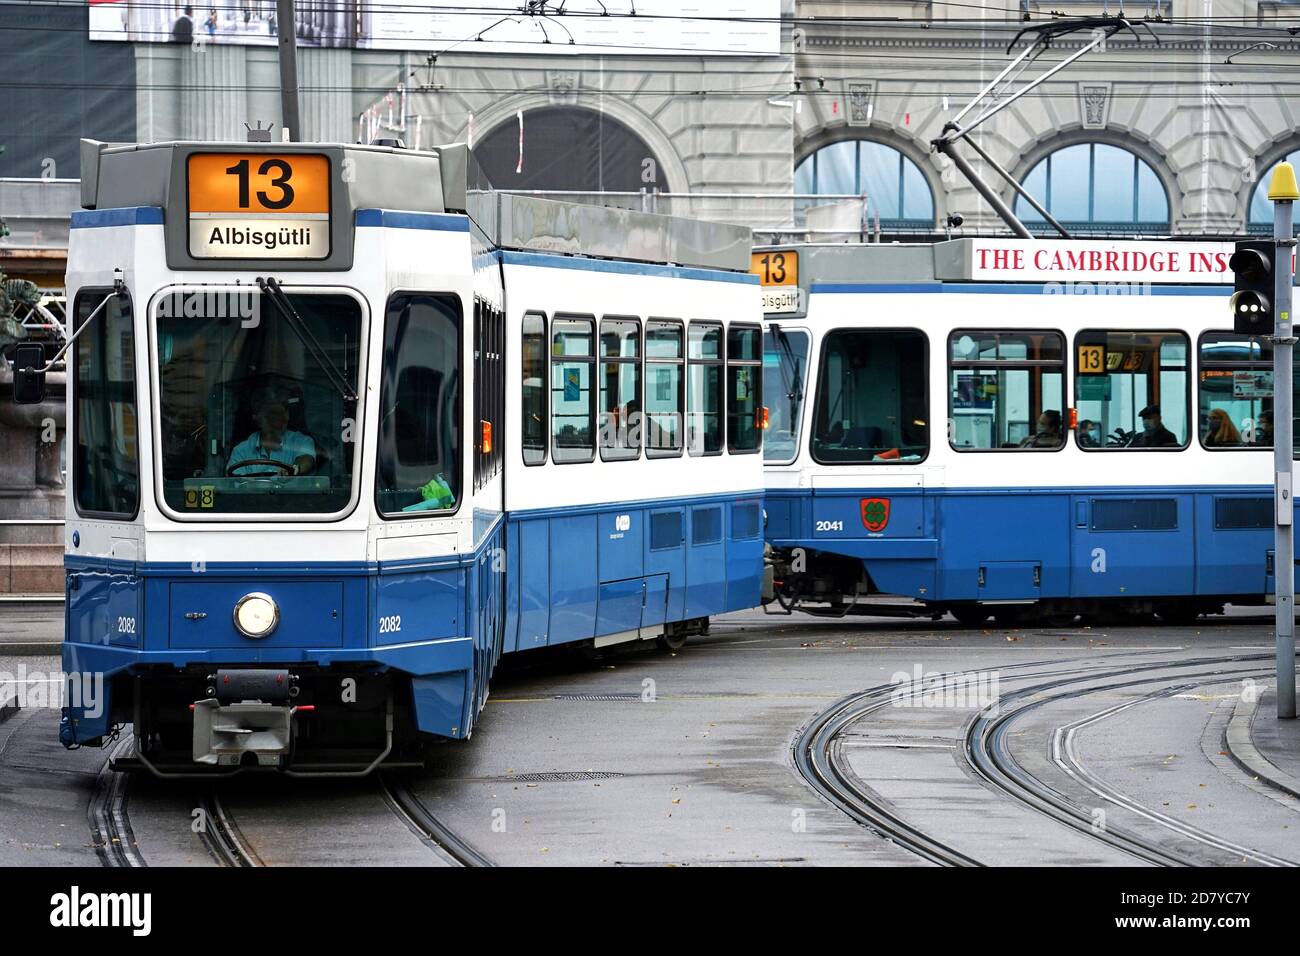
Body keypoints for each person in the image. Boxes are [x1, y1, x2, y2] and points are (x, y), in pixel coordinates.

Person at [227, 390, 316, 477]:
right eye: (273, 414)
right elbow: (234, 483)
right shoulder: (240, 451)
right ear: (257, 418)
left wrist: (294, 469)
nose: (282, 419)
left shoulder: (302, 441)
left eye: (284, 413)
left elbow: (306, 460)